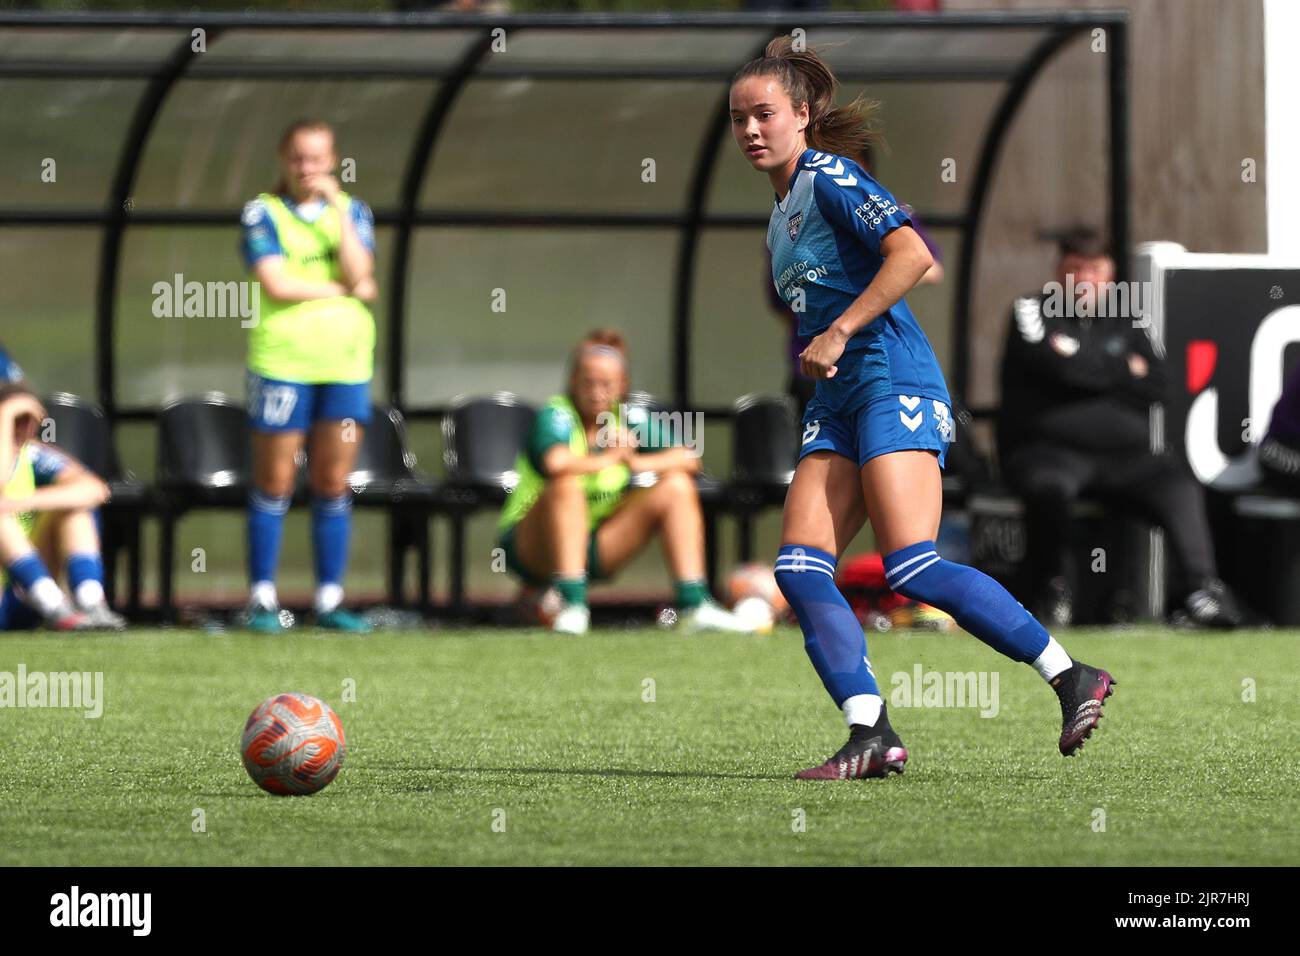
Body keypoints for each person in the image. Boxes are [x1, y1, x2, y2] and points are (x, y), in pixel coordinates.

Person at [730, 36, 1115, 780]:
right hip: (836, 400)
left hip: (893, 382)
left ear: (802, 115)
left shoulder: (830, 175)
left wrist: (841, 328)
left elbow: (914, 255)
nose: (750, 130)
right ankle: (870, 731)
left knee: (912, 565)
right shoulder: (779, 216)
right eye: (740, 119)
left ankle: (1072, 675)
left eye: (765, 115)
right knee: (801, 570)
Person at [999, 228, 1244, 628]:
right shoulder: (1031, 308)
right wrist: (1121, 369)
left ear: (1110, 273)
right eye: (1075, 269)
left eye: (1094, 270)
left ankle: (1201, 591)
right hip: (1048, 452)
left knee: (1178, 483)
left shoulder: (1127, 315)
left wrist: (1084, 365)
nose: (1085, 280)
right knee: (1048, 492)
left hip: (1123, 457)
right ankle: (1050, 591)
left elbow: (1159, 385)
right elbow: (1056, 370)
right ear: (1058, 270)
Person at [496, 329, 756, 636]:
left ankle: (693, 605)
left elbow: (688, 459)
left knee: (676, 486)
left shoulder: (628, 418)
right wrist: (610, 457)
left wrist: (634, 461)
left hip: (595, 549)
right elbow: (556, 463)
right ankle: (571, 605)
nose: (596, 392)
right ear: (572, 382)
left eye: (606, 384)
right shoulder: (556, 414)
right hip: (533, 547)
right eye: (588, 382)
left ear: (623, 385)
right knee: (565, 483)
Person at [239, 119, 378, 633]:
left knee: (333, 479)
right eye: (298, 158)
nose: (307, 169)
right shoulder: (263, 212)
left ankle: (329, 599)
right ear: (283, 159)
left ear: (333, 160)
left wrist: (339, 209)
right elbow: (276, 283)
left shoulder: (354, 211)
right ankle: (261, 599)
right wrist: (345, 290)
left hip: (344, 364)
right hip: (283, 364)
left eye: (317, 158)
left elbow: (361, 271)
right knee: (275, 480)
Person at [0, 382, 123, 631]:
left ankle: (89, 603)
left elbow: (95, 490)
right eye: (17, 420)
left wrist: (22, 502)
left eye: (29, 419)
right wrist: (6, 416)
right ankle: (55, 606)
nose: (23, 428)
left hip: (25, 594)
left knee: (74, 510)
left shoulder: (32, 454)